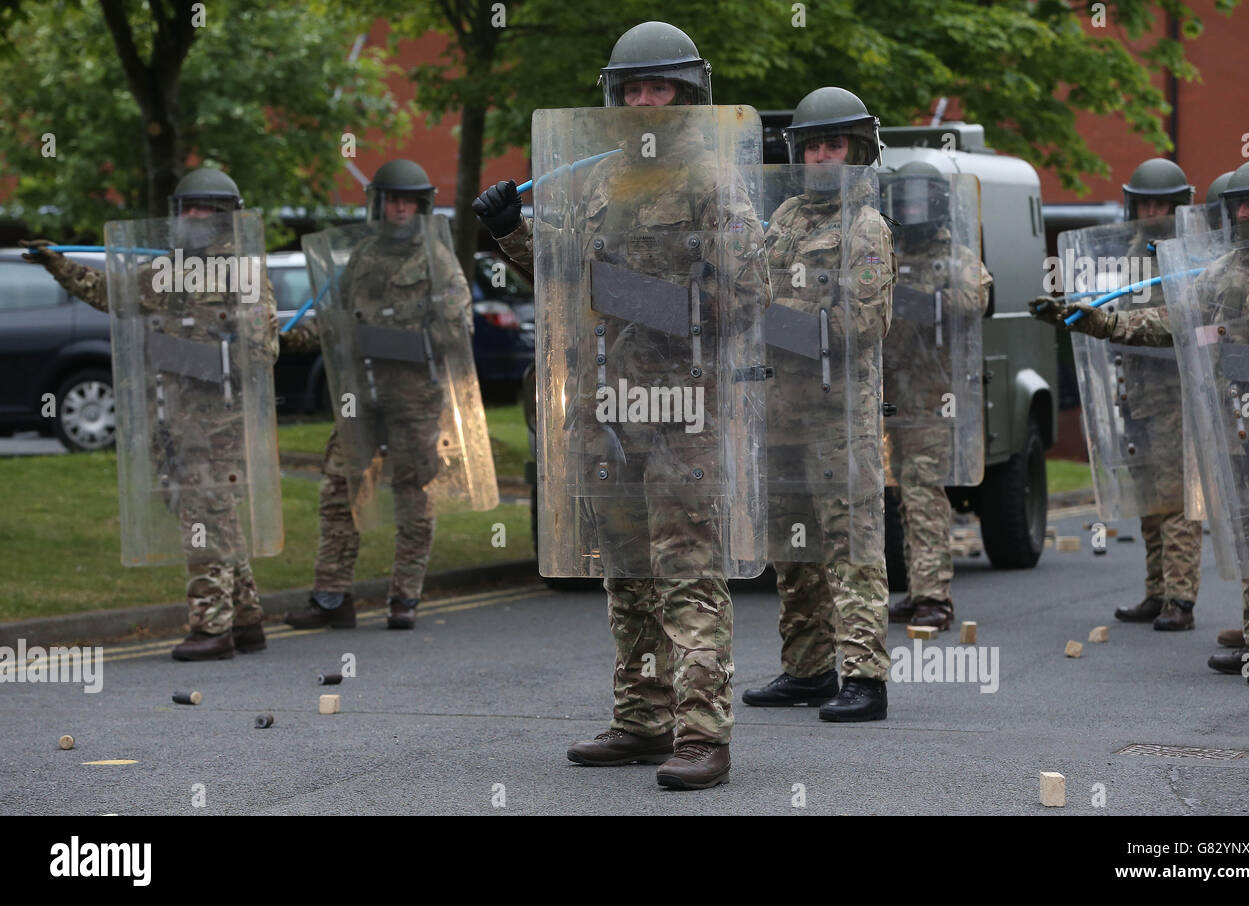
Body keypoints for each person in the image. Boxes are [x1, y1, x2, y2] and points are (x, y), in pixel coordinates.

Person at [474, 21, 769, 789]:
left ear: (686, 96)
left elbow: (746, 295)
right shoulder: (602, 182)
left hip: (686, 410)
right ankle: (644, 718)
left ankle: (704, 734)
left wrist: (638, 298)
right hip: (611, 408)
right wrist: (510, 229)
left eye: (658, 87)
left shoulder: (712, 181)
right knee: (627, 574)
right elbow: (565, 271)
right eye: (633, 88)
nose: (643, 100)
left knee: (687, 570)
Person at [1034, 158, 1249, 685]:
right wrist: (1097, 320)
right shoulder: (1221, 273)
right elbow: (1169, 322)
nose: (1247, 213)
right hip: (1239, 422)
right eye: (1240, 205)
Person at [22, 168, 279, 661]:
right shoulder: (169, 269)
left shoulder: (243, 273)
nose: (190, 215)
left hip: (220, 424)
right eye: (185, 207)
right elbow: (112, 293)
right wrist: (58, 264)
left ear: (225, 215)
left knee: (203, 518)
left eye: (201, 207)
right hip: (176, 423)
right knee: (217, 518)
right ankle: (246, 623)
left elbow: (262, 353)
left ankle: (212, 629)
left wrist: (187, 356)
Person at [740, 86, 898, 721]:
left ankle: (865, 678)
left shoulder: (865, 227)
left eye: (835, 145)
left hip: (840, 422)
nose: (823, 156)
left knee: (850, 546)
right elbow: (748, 293)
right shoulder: (782, 222)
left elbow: (862, 326)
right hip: (779, 415)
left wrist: (769, 323)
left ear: (857, 152)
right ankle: (807, 669)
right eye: (812, 146)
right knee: (794, 547)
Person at [283, 159, 473, 631]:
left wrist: (402, 341)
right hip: (361, 396)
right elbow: (338, 320)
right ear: (380, 204)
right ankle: (331, 598)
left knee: (412, 496)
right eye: (392, 200)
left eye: (408, 201)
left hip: (413, 398)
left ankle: (404, 598)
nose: (400, 208)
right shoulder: (364, 256)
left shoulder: (437, 259)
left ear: (423, 205)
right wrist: (292, 337)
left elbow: (459, 327)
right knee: (338, 490)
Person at [1035, 158, 1202, 632]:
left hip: (1178, 396)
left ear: (1179, 205)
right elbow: (1103, 301)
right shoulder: (1125, 252)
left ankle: (1181, 600)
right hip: (1136, 395)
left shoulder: (1188, 256)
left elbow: (1173, 324)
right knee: (1149, 500)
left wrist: (1105, 322)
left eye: (1161, 203)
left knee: (1177, 504)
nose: (1151, 210)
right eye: (1144, 201)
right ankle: (1156, 590)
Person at [882, 160, 992, 631]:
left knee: (924, 494)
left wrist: (918, 301)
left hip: (929, 399)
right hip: (884, 394)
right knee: (903, 495)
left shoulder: (956, 257)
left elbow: (976, 299)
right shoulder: (884, 251)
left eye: (920, 199)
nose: (912, 208)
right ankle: (916, 587)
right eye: (904, 200)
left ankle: (934, 597)